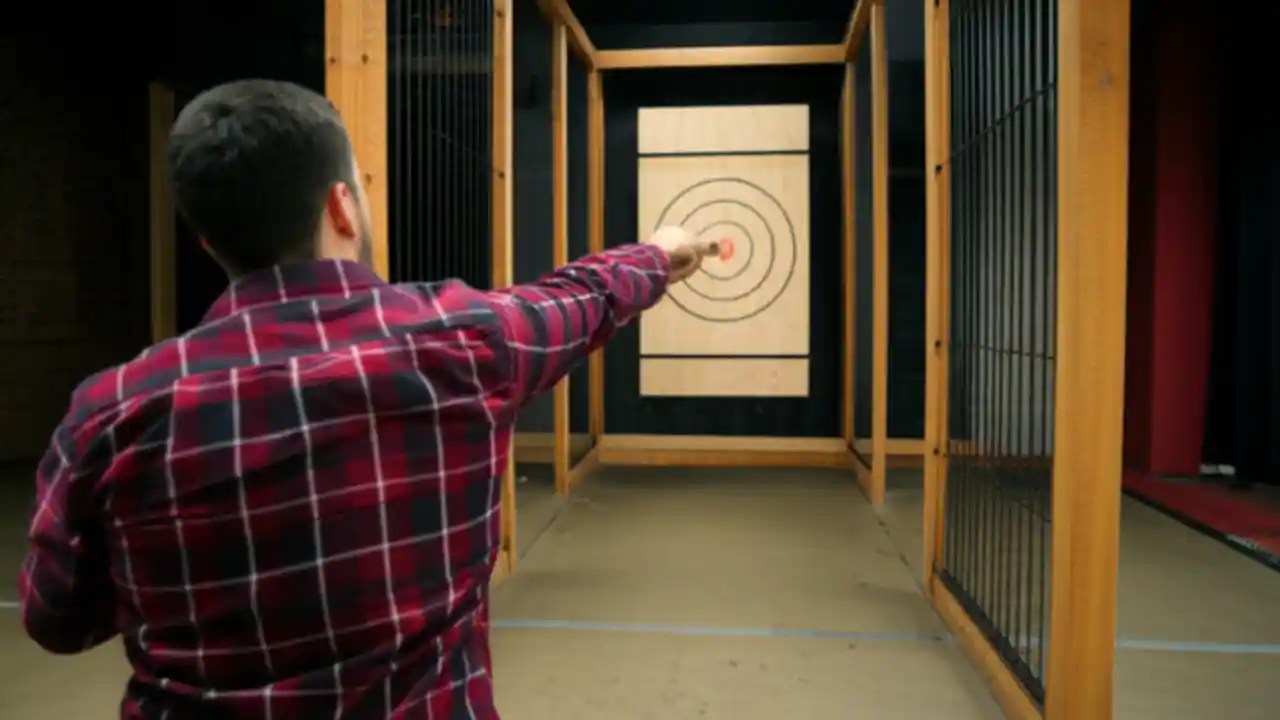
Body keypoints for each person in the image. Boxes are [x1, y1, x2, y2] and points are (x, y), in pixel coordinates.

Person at [17, 79, 716, 718]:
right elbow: (584, 297)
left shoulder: (110, 411)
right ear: (341, 205)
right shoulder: (467, 344)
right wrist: (661, 252)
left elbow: (57, 620)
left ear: (207, 240)